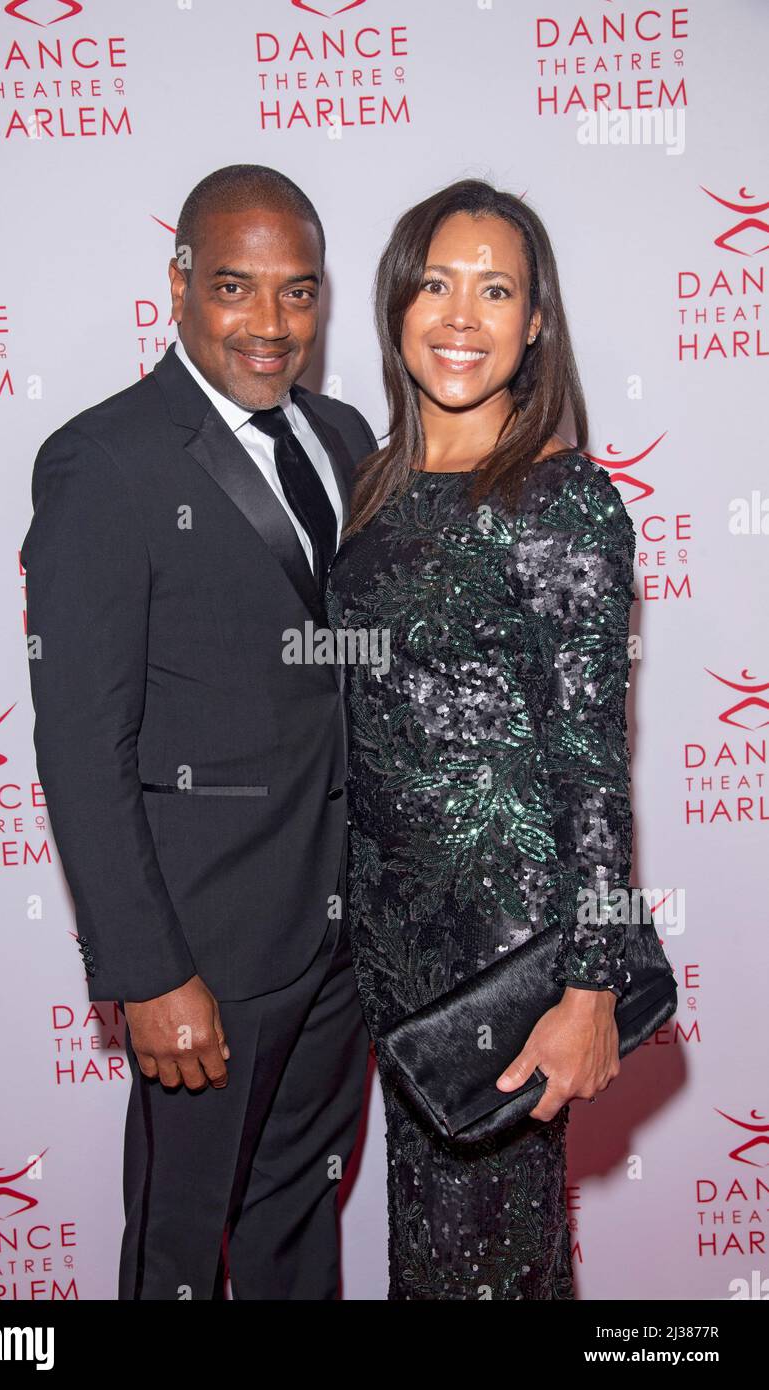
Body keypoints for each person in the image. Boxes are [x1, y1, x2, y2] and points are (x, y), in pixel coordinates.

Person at [20, 165, 377, 1300]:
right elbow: (80, 741)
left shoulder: (342, 431)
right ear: (177, 285)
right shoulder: (105, 462)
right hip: (206, 959)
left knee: (295, 1221)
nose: (269, 325)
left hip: (338, 936)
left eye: (298, 292)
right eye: (235, 286)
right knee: (176, 1250)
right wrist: (150, 970)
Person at [327, 178, 636, 1300]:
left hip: (509, 974)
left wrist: (591, 986)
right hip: (392, 961)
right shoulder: (376, 487)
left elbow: (593, 763)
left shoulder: (559, 500)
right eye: (435, 284)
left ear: (535, 322)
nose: (460, 317)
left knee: (482, 1273)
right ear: (396, 303)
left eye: (494, 289)